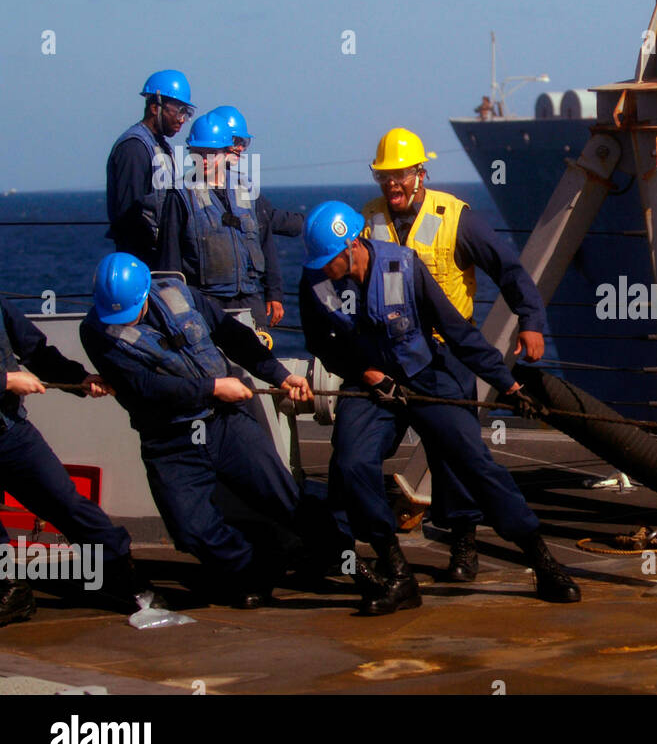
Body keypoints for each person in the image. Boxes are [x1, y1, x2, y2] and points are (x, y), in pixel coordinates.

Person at [298, 201, 579, 614]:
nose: (324, 269)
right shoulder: (315, 283)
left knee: (475, 462)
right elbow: (320, 343)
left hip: (426, 375)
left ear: (352, 245)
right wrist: (367, 373)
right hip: (374, 386)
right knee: (352, 462)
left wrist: (509, 385)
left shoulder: (406, 269)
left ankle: (542, 560)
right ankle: (398, 574)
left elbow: (458, 333)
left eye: (329, 260)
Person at [80, 253, 338, 608]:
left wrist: (280, 375)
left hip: (223, 421)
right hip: (170, 440)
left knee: (282, 495)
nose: (125, 320)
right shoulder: (96, 332)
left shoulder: (182, 295)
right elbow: (146, 388)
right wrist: (214, 387)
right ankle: (252, 570)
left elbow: (233, 336)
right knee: (190, 529)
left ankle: (340, 555)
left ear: (145, 293)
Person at [361, 127, 547, 583]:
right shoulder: (368, 219)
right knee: (359, 449)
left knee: (458, 455)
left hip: (444, 357)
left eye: (401, 175)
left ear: (420, 173)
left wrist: (531, 320)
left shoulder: (455, 218)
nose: (393, 185)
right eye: (385, 177)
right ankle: (365, 544)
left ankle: (464, 541)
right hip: (388, 358)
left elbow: (508, 268)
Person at [0, 296, 162, 626]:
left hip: (9, 430)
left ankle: (119, 573)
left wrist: (80, 379)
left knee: (64, 500)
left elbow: (35, 350)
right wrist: (5, 381)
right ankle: (10, 591)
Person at [159, 111, 278, 329]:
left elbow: (264, 241)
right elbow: (170, 261)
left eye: (211, 153)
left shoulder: (246, 188)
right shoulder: (180, 196)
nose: (204, 160)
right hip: (206, 302)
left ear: (225, 153)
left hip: (250, 298)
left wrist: (274, 292)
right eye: (198, 153)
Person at [210, 105, 306, 328]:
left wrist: (273, 291)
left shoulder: (243, 189)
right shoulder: (188, 193)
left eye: (244, 143)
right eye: (236, 141)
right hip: (210, 297)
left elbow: (264, 229)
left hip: (246, 294)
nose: (241, 148)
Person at [105, 70, 197, 265]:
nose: (182, 119)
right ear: (155, 108)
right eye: (179, 111)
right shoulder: (134, 148)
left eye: (186, 113)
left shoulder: (161, 147)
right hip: (142, 261)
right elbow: (129, 216)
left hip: (161, 258)